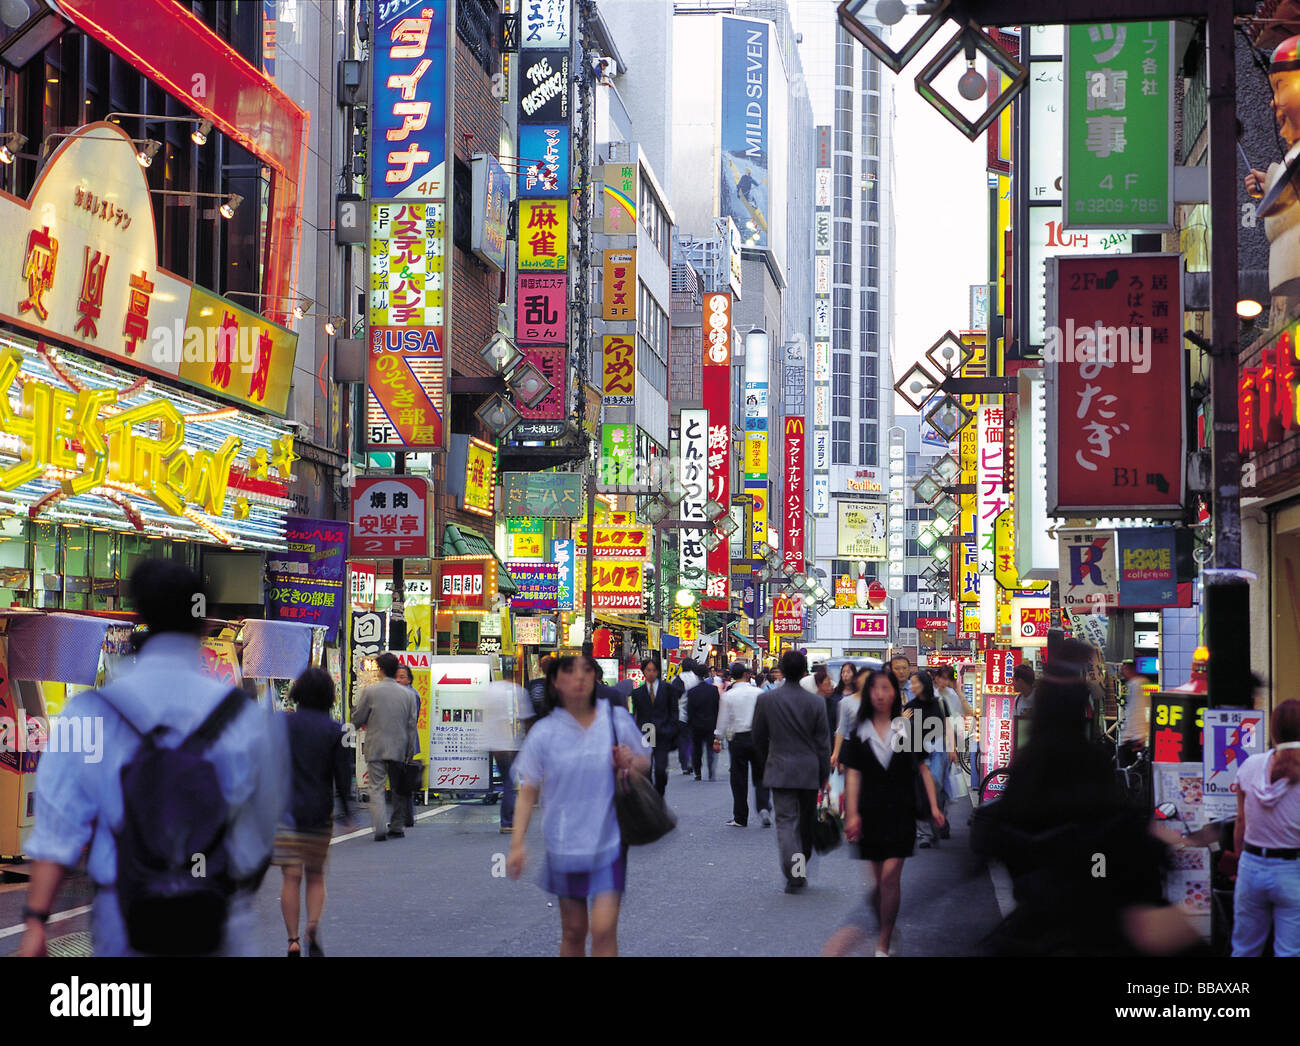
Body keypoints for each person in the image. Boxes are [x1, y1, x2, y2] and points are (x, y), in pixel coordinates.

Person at [18, 559, 288, 957]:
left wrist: (37, 922)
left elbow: (58, 832)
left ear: (140, 615)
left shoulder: (92, 711)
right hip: (216, 920)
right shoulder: (246, 716)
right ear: (204, 619)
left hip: (123, 917)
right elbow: (263, 828)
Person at [970, 676, 1199, 956]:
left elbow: (989, 833)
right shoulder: (1093, 764)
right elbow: (1119, 835)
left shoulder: (1029, 768)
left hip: (1036, 925)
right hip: (1100, 927)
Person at [507, 654, 649, 956]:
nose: (580, 678)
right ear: (556, 683)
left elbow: (644, 762)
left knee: (602, 929)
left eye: (587, 671)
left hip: (608, 842)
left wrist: (629, 761)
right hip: (564, 844)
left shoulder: (614, 720)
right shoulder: (544, 733)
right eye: (570, 672)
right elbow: (528, 789)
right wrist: (517, 843)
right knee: (573, 931)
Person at [829, 670, 946, 957]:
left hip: (901, 811)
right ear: (868, 694)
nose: (880, 694)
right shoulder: (859, 732)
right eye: (875, 689)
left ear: (895, 693)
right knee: (878, 885)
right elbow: (853, 776)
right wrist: (852, 814)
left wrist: (933, 807)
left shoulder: (905, 730)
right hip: (869, 813)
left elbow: (923, 768)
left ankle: (883, 941)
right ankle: (889, 927)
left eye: (886, 688)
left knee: (891, 878)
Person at [274, 668, 352, 957]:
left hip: (286, 811)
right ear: (329, 696)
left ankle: (293, 939)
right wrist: (348, 812)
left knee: (291, 876)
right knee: (315, 875)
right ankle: (313, 926)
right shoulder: (338, 730)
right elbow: (343, 776)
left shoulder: (281, 724)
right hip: (320, 810)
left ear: (298, 693)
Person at [753, 650, 831, 893]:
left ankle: (793, 872)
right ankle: (799, 867)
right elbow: (823, 744)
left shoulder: (766, 700)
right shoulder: (816, 702)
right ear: (805, 671)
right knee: (805, 823)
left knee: (786, 822)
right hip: (808, 770)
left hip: (780, 768)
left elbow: (758, 737)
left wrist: (767, 762)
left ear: (782, 671)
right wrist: (824, 775)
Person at [1227, 699, 1300, 957]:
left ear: (1274, 730)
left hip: (1251, 865)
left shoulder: (1250, 766)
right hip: (1293, 870)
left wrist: (1238, 861)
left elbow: (1240, 821)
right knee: (1289, 952)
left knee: (1245, 949)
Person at [351, 652, 418, 841]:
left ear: (380, 670)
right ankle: (397, 826)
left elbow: (359, 717)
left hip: (376, 746)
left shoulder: (370, 692)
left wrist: (354, 725)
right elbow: (411, 725)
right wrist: (410, 750)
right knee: (398, 788)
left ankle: (379, 828)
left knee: (376, 787)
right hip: (399, 747)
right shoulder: (408, 695)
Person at [716, 662, 771, 828]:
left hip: (738, 739)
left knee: (738, 778)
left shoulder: (728, 695)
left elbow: (723, 719)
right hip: (758, 738)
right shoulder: (759, 693)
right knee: (761, 775)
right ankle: (763, 807)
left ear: (732, 676)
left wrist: (717, 738)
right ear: (747, 675)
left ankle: (740, 817)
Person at [480, 680, 534, 834]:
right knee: (511, 781)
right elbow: (526, 719)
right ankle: (508, 821)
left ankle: (507, 820)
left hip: (494, 742)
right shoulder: (518, 691)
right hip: (511, 743)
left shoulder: (490, 689)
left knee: (508, 780)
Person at [906, 670, 948, 848]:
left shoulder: (939, 702)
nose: (911, 686)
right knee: (920, 789)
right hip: (917, 751)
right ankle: (924, 833)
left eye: (914, 683)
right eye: (910, 683)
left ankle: (936, 818)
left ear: (924, 684)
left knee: (936, 785)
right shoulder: (909, 706)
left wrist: (952, 749)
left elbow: (947, 726)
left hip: (938, 749)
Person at [630, 657, 679, 795]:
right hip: (645, 734)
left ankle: (659, 794)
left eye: (654, 670)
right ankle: (650, 796)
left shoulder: (668, 689)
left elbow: (674, 711)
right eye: (648, 670)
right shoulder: (637, 693)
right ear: (643, 672)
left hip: (663, 733)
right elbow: (635, 715)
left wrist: (671, 729)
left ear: (657, 671)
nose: (651, 673)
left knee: (660, 769)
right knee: (646, 769)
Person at [394, 663, 420, 828]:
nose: (398, 680)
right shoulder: (399, 694)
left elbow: (412, 721)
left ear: (409, 679)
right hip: (400, 740)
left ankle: (407, 816)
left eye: (402, 677)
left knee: (404, 780)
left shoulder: (412, 694)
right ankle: (406, 817)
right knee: (402, 780)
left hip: (407, 740)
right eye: (396, 676)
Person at [686, 667, 721, 781]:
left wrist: (689, 725)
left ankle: (698, 772)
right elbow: (717, 708)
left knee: (697, 749)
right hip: (710, 723)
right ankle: (711, 770)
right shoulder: (713, 690)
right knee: (710, 748)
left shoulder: (692, 692)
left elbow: (689, 711)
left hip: (696, 724)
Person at [1118, 660, 1151, 762]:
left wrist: (1139, 736)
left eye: (1124, 667)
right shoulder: (1139, 683)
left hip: (1134, 740)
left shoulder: (1137, 683)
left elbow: (1137, 710)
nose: (1122, 670)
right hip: (1134, 738)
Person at [674, 659, 700, 775]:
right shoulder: (697, 679)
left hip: (681, 715)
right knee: (693, 740)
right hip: (695, 715)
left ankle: (685, 764)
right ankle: (693, 762)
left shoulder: (678, 679)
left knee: (682, 741)